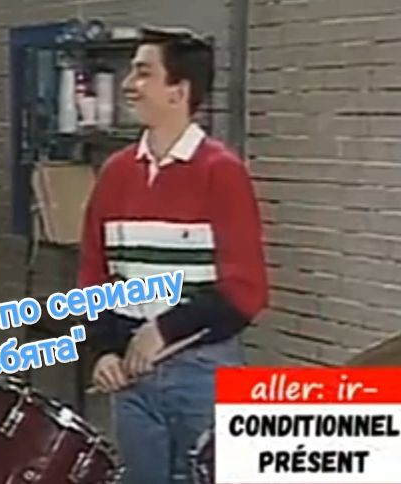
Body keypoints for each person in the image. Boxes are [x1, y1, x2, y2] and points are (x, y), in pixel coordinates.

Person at [79, 26, 269, 484]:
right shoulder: (115, 173)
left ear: (178, 91)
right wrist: (102, 350)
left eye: (143, 73)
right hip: (131, 379)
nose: (129, 84)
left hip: (202, 374)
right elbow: (93, 277)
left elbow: (246, 292)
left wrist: (163, 331)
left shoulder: (222, 173)